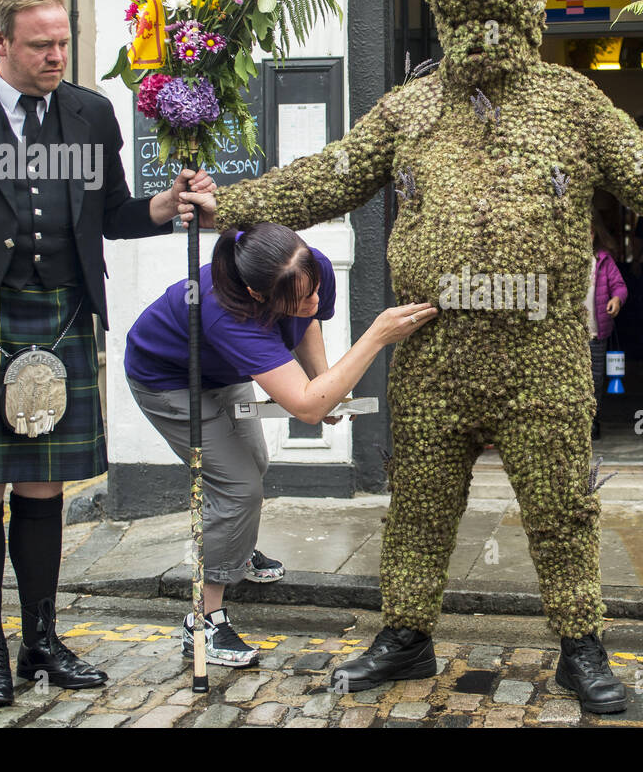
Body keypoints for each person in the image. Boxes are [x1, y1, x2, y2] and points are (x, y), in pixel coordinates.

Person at [180, 0, 643, 713]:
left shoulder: (572, 101)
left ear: (528, 19)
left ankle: (580, 644)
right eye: (463, 15)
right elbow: (331, 175)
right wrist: (234, 204)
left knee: (562, 507)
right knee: (420, 504)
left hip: (542, 350)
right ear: (442, 20)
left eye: (497, 13)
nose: (481, 32)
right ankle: (407, 632)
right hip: (433, 346)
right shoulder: (411, 107)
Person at [0, 0, 209, 707]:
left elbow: (117, 212)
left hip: (58, 319)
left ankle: (42, 637)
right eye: (40, 45)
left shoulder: (90, 113)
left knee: (43, 486)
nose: (56, 55)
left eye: (63, 42)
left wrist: (170, 204)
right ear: (1, 42)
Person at [124, 222, 437, 665]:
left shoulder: (305, 267)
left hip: (226, 372)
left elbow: (308, 328)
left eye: (314, 290)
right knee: (236, 489)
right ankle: (204, 622)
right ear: (257, 296)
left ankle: (235, 546)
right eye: (299, 298)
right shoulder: (225, 311)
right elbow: (308, 410)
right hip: (170, 382)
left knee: (256, 461)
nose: (313, 302)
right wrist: (375, 337)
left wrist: (323, 382)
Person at [587, 212, 628, 440]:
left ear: (595, 234)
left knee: (595, 379)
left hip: (597, 332)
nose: (587, 235)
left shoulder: (603, 260)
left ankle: (593, 421)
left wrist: (617, 299)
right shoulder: (569, 260)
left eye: (590, 231)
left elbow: (620, 286)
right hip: (572, 335)